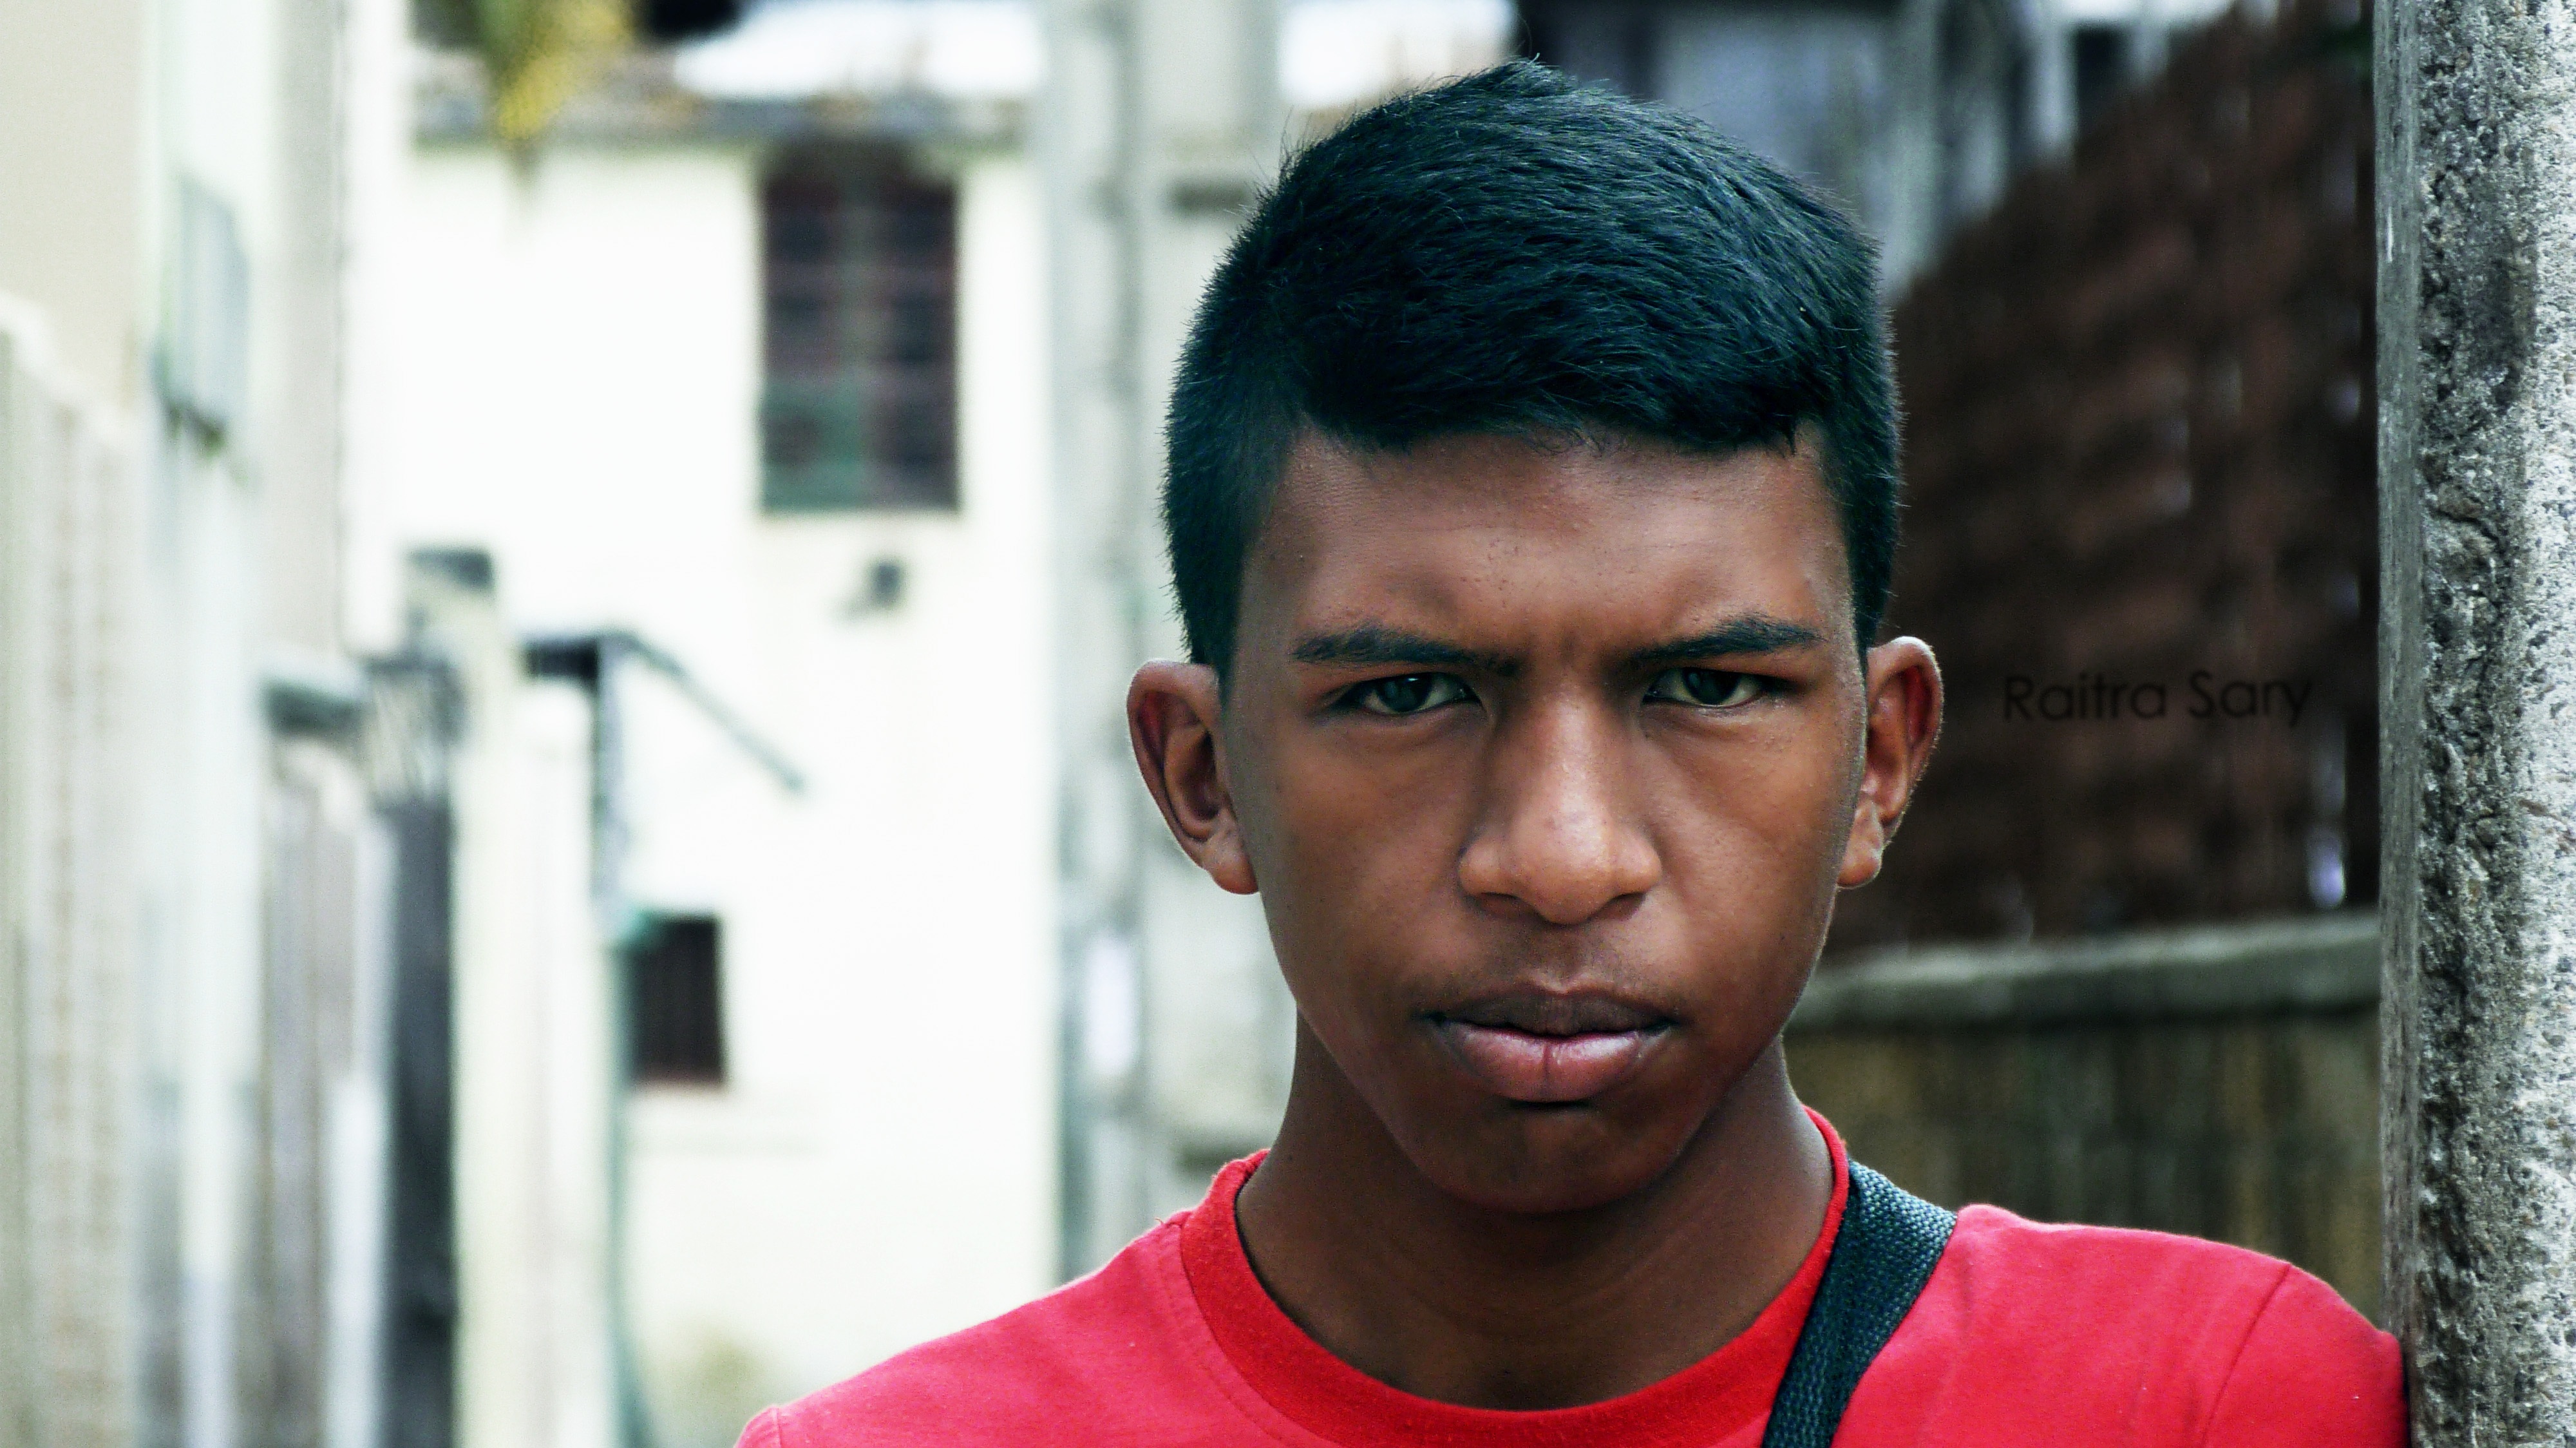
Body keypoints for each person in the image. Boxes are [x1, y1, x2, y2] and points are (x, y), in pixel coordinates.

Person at [739, 62, 2403, 1447]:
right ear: (1202, 774)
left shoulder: (2214, 1409)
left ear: (1881, 762)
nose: (1558, 855)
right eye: (1406, 694)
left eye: (1704, 686)